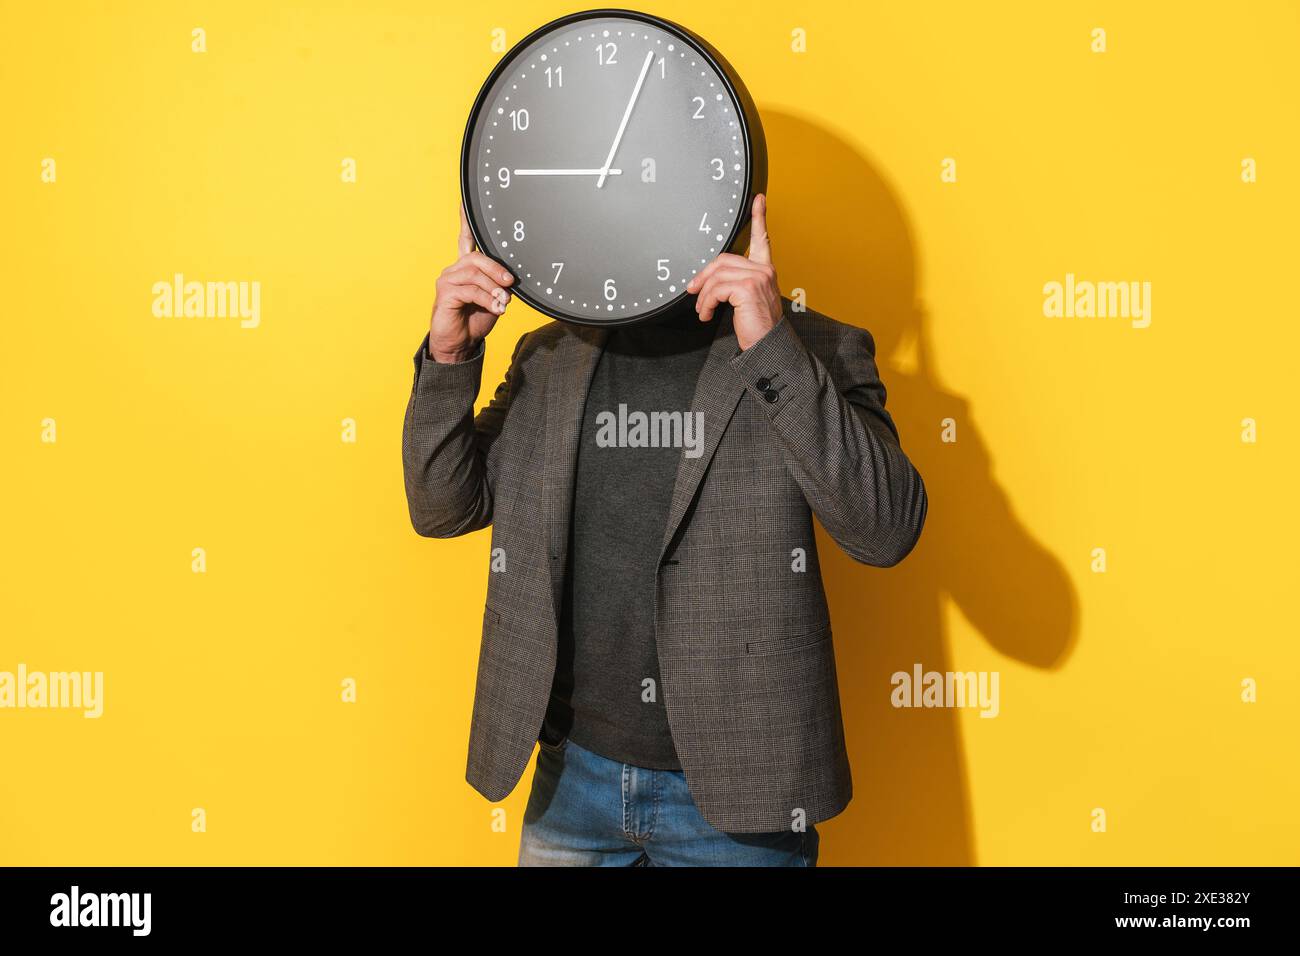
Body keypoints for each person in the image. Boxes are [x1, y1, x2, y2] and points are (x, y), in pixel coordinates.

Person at [402, 193, 928, 866]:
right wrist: (449, 359)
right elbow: (442, 508)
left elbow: (886, 531)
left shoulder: (813, 347)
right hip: (571, 780)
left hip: (744, 801)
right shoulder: (547, 355)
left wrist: (774, 348)